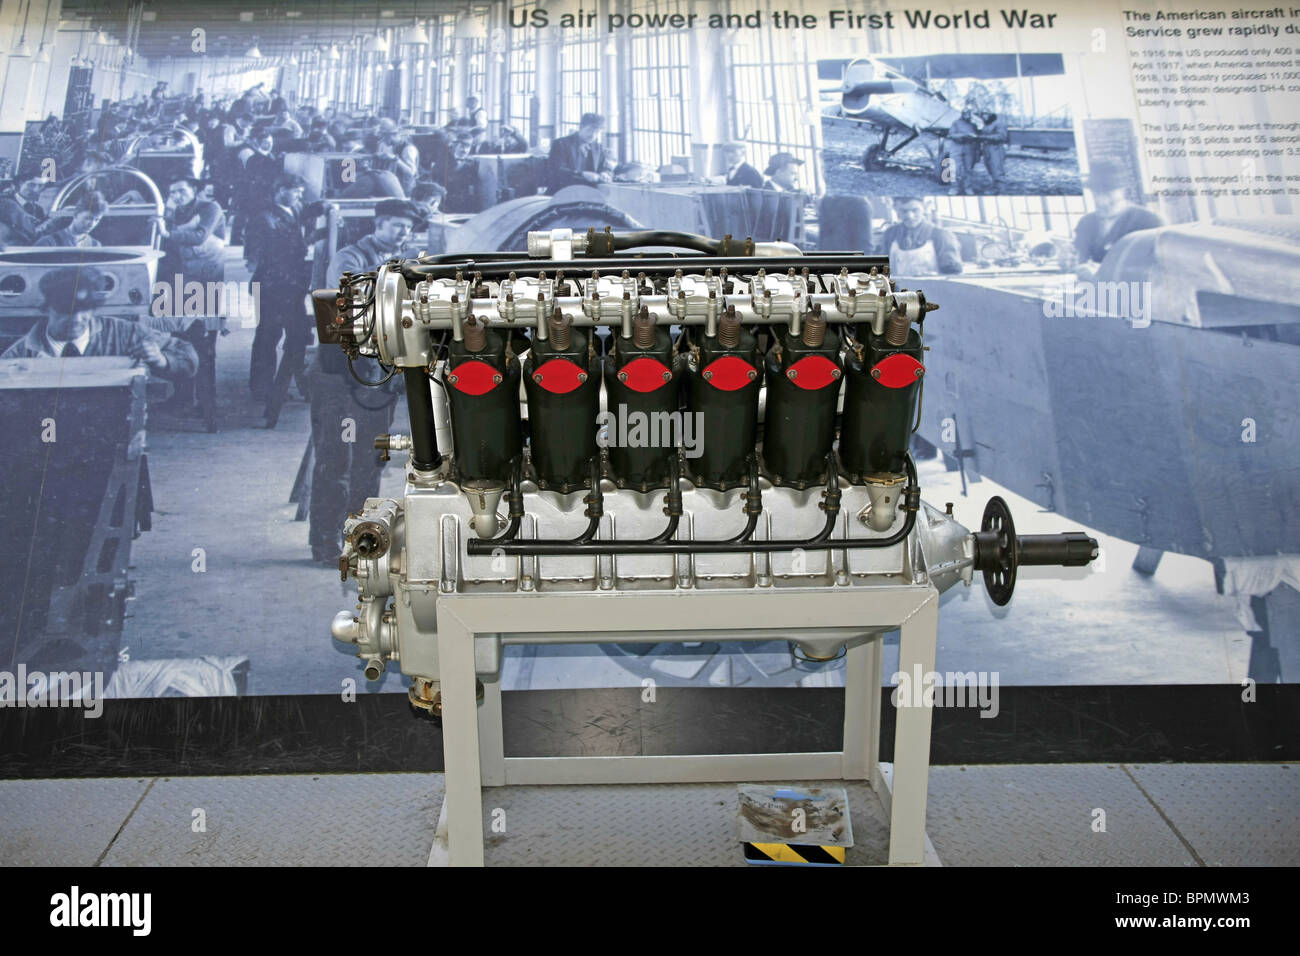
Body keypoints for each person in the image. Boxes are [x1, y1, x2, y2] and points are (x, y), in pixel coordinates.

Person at [305, 199, 426, 564]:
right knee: (334, 460)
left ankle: (360, 541)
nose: (402, 232)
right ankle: (324, 543)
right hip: (339, 375)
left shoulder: (401, 259)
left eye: (406, 227)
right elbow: (356, 299)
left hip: (374, 378)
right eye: (396, 226)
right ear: (380, 224)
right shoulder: (350, 258)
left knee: (370, 460)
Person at [3, 266, 197, 379]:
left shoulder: (125, 334)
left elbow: (188, 358)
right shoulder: (18, 355)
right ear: (45, 309)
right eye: (65, 311)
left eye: (84, 309)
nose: (77, 319)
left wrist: (161, 360)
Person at [243, 175, 311, 404]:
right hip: (273, 286)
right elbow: (258, 254)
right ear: (281, 189)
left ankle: (300, 384)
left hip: (291, 285)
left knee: (296, 334)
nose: (300, 196)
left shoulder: (294, 209)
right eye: (296, 191)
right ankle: (261, 389)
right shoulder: (265, 219)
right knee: (268, 335)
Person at [1067, 159, 1165, 278]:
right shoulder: (1086, 223)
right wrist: (1068, 260)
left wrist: (1103, 274)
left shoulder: (1150, 222)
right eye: (1097, 193)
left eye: (1108, 193)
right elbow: (1078, 260)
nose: (1101, 200)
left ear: (1123, 190)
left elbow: (1160, 269)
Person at [882, 196, 963, 276]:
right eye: (904, 211)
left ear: (924, 207)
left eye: (915, 210)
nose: (910, 216)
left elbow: (953, 273)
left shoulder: (941, 235)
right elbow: (883, 269)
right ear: (895, 209)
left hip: (933, 287)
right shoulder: (890, 234)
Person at [546, 113, 612, 192]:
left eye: (597, 132)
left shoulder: (597, 147)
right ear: (580, 127)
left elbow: (605, 167)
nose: (593, 135)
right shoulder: (561, 144)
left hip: (590, 193)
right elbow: (556, 171)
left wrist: (605, 173)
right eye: (589, 130)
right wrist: (582, 174)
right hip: (562, 192)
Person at [35, 191, 107, 247]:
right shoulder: (48, 243)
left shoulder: (95, 246)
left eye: (96, 220)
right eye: (88, 218)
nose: (92, 224)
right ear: (76, 214)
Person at [946, 108, 984, 195]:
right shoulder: (956, 123)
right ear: (962, 114)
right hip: (957, 147)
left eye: (969, 114)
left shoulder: (973, 125)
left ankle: (968, 188)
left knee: (969, 169)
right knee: (954, 168)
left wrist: (977, 152)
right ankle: (954, 188)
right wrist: (965, 135)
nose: (967, 115)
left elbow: (977, 139)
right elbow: (951, 135)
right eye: (965, 114)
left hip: (969, 148)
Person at [979, 111, 1009, 193]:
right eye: (983, 115)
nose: (984, 117)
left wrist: (984, 137)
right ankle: (995, 187)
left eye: (986, 114)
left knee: (997, 169)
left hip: (996, 149)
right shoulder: (986, 125)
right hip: (986, 149)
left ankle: (1001, 190)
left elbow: (1002, 136)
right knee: (990, 168)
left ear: (991, 115)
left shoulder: (999, 124)